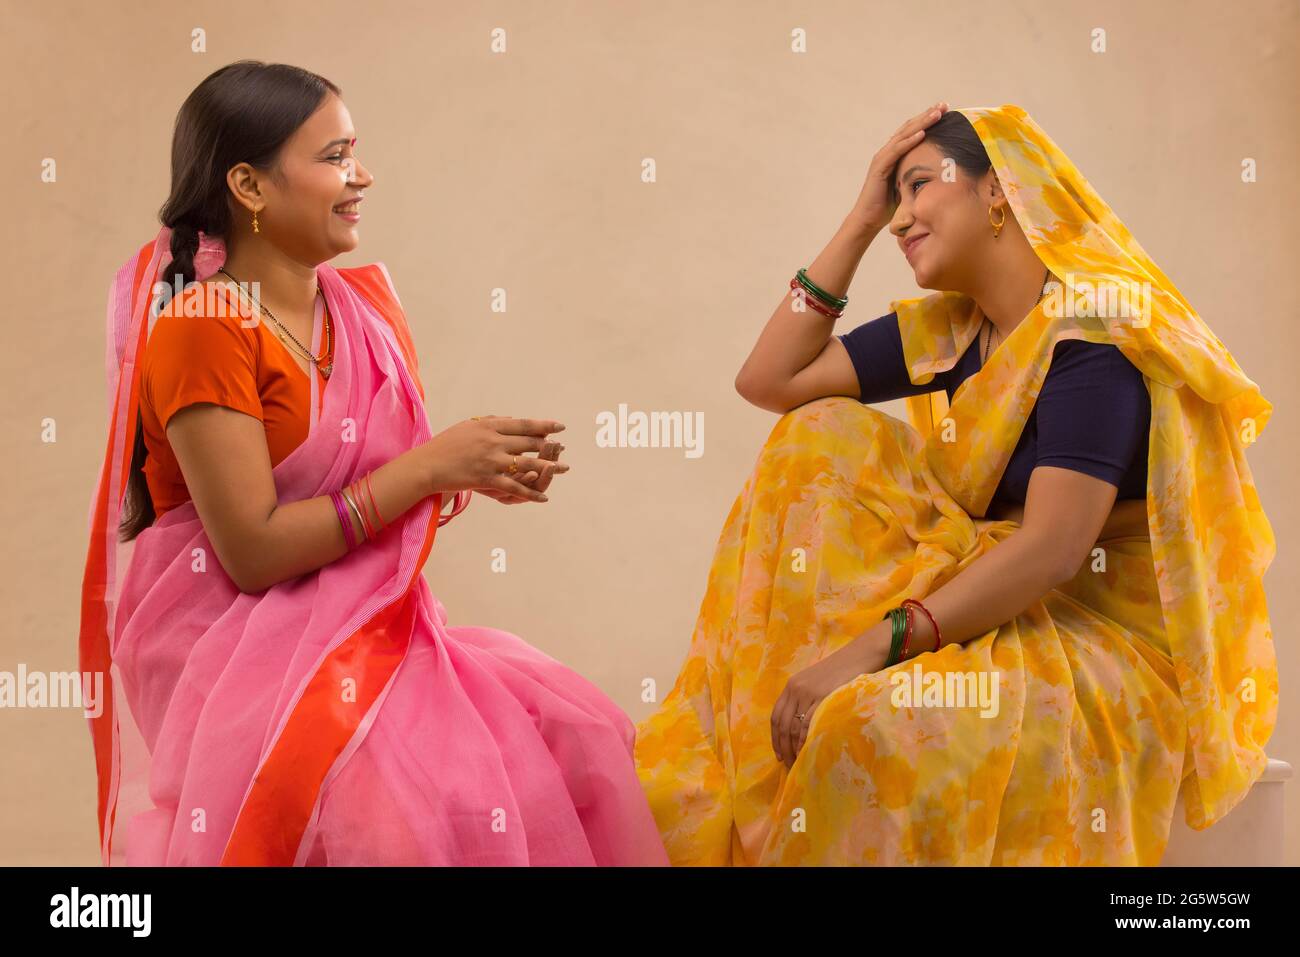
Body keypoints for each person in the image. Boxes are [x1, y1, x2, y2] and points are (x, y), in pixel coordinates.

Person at [634, 102, 1277, 865]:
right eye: (894, 199)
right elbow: (770, 380)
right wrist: (861, 216)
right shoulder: (951, 332)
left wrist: (871, 647)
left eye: (917, 187)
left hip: (1099, 640)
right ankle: (767, 743)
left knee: (867, 727)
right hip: (989, 608)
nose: (903, 218)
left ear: (998, 191)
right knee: (816, 436)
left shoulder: (1092, 337)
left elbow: (1051, 552)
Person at [78, 60, 669, 866]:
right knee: (397, 812)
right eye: (334, 157)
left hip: (366, 632)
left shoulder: (362, 310)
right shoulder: (202, 327)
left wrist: (466, 473)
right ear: (249, 186)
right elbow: (253, 552)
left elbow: (375, 486)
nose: (361, 177)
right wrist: (429, 469)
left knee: (578, 731)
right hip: (230, 649)